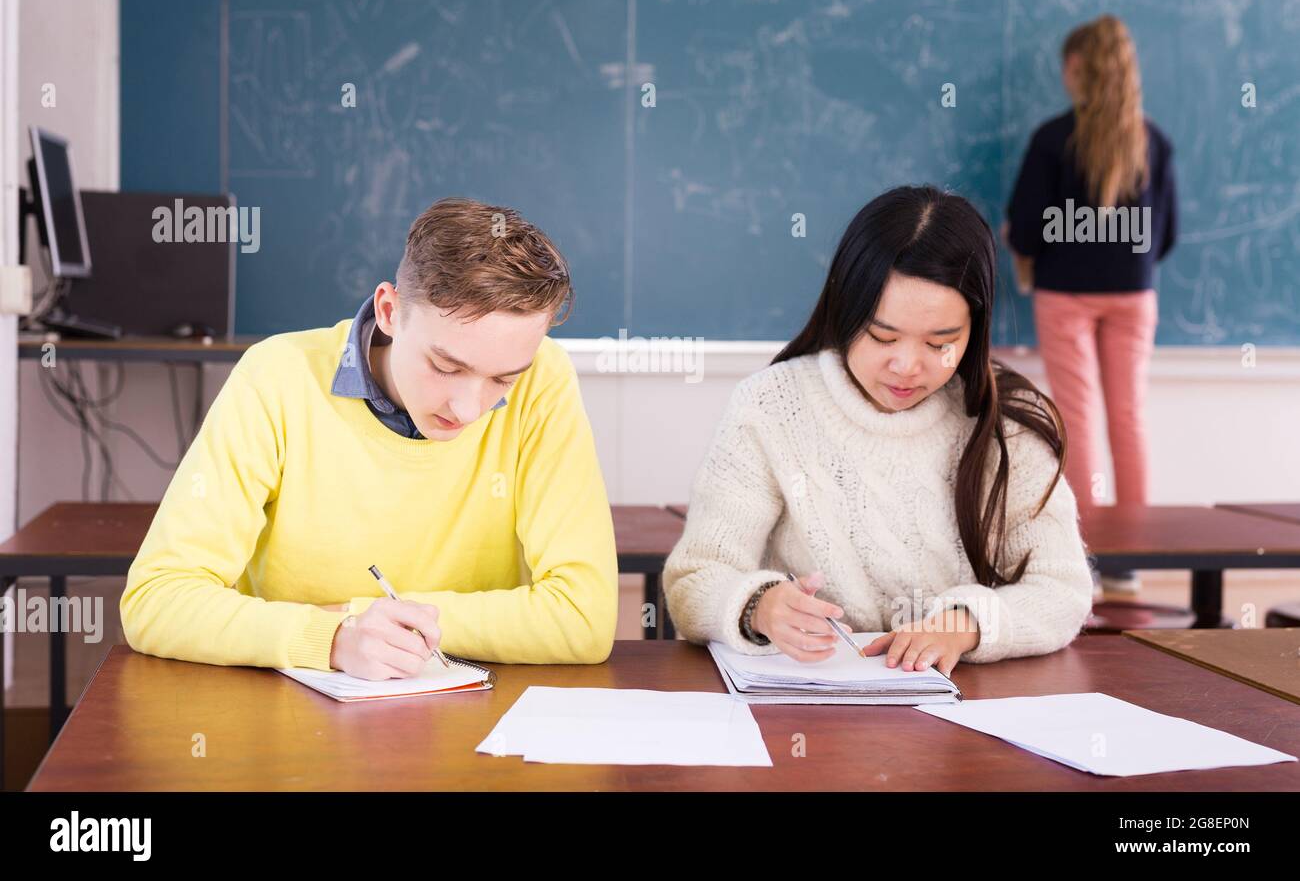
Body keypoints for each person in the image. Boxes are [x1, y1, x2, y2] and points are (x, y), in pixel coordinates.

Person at [122, 198, 618, 678]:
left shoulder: (544, 378)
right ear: (388, 311)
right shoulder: (277, 375)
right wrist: (333, 638)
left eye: (502, 380)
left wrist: (359, 615)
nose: (468, 409)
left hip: (476, 722)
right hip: (297, 724)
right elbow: (158, 599)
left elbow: (584, 619)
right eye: (446, 366)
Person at [664, 185, 1093, 674]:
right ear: (845, 311)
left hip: (961, 717)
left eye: (940, 343)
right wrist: (758, 605)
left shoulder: (1005, 422)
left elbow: (1062, 589)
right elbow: (695, 579)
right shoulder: (770, 406)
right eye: (882, 336)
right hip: (809, 713)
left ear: (975, 328)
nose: (907, 366)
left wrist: (964, 624)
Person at [1006, 14, 1178, 598]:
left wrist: (1021, 242)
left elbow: (1027, 228)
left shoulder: (1053, 139)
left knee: (1075, 418)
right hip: (1134, 292)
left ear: (1076, 67)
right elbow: (1168, 234)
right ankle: (1134, 556)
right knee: (1128, 415)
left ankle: (1090, 554)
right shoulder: (1153, 141)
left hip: (1067, 295)